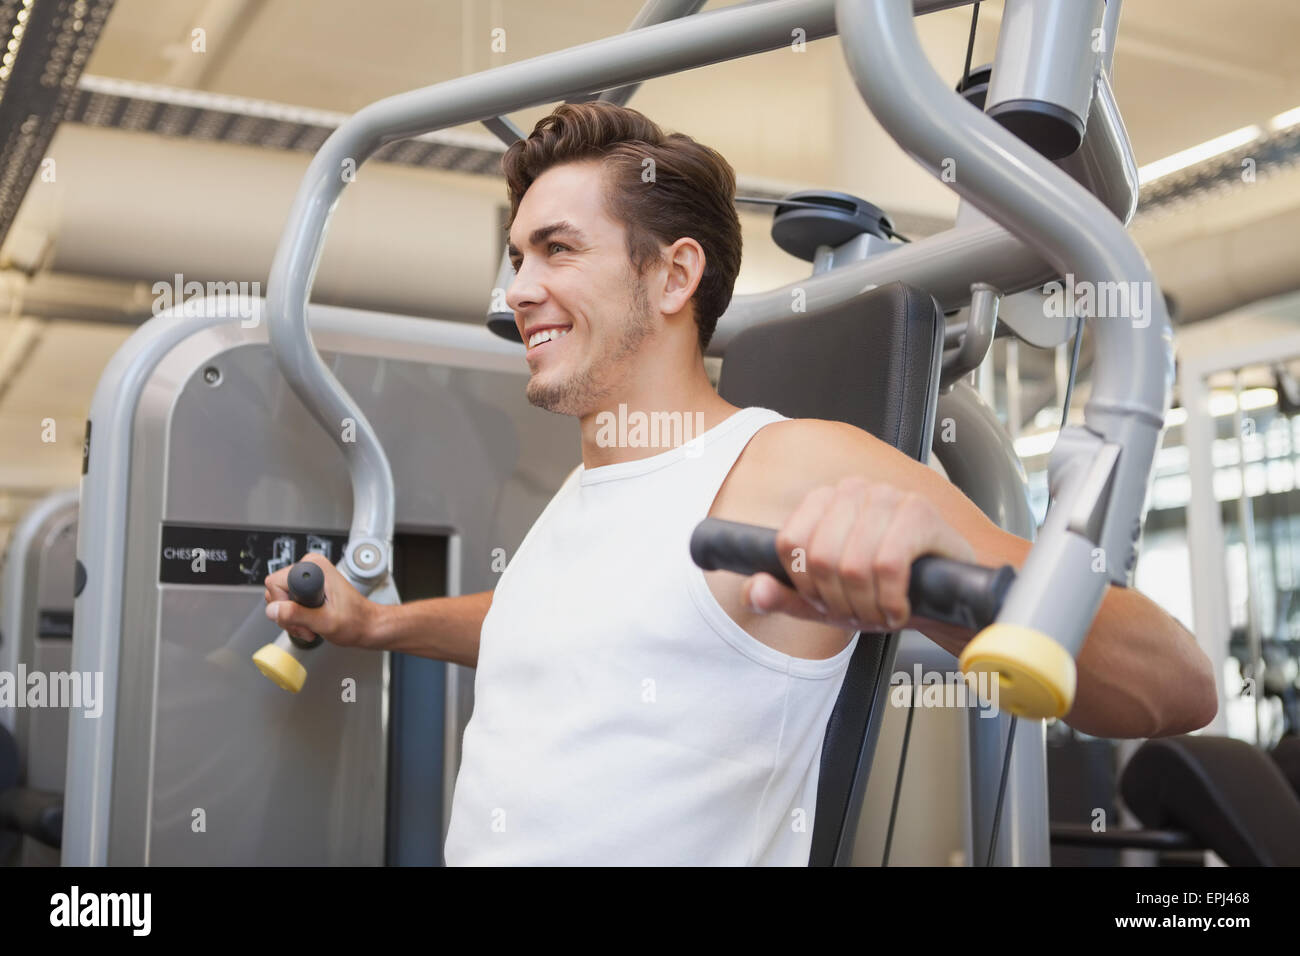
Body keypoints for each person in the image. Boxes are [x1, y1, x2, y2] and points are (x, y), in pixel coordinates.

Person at [265, 101, 1217, 865]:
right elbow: (538, 626)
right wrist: (375, 625)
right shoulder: (592, 486)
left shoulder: (782, 466)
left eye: (556, 250)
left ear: (675, 275)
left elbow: (1176, 684)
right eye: (517, 257)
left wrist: (944, 577)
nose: (515, 289)